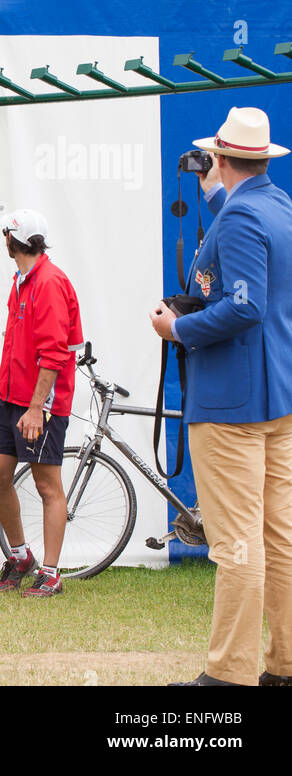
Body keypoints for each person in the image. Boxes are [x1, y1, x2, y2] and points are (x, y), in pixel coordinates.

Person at [151, 106, 292, 686]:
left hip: (230, 401)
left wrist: (177, 329)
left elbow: (244, 305)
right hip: (277, 396)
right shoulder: (276, 207)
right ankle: (283, 663)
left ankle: (228, 673)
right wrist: (215, 195)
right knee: (278, 536)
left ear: (222, 157)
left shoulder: (239, 220)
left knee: (236, 542)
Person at [0, 209, 83, 597]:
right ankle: (21, 555)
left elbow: (55, 353)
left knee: (47, 485)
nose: (2, 238)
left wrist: (37, 407)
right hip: (11, 398)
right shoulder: (22, 280)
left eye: (5, 233)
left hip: (39, 403)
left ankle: (52, 572)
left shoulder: (49, 282)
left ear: (14, 239)